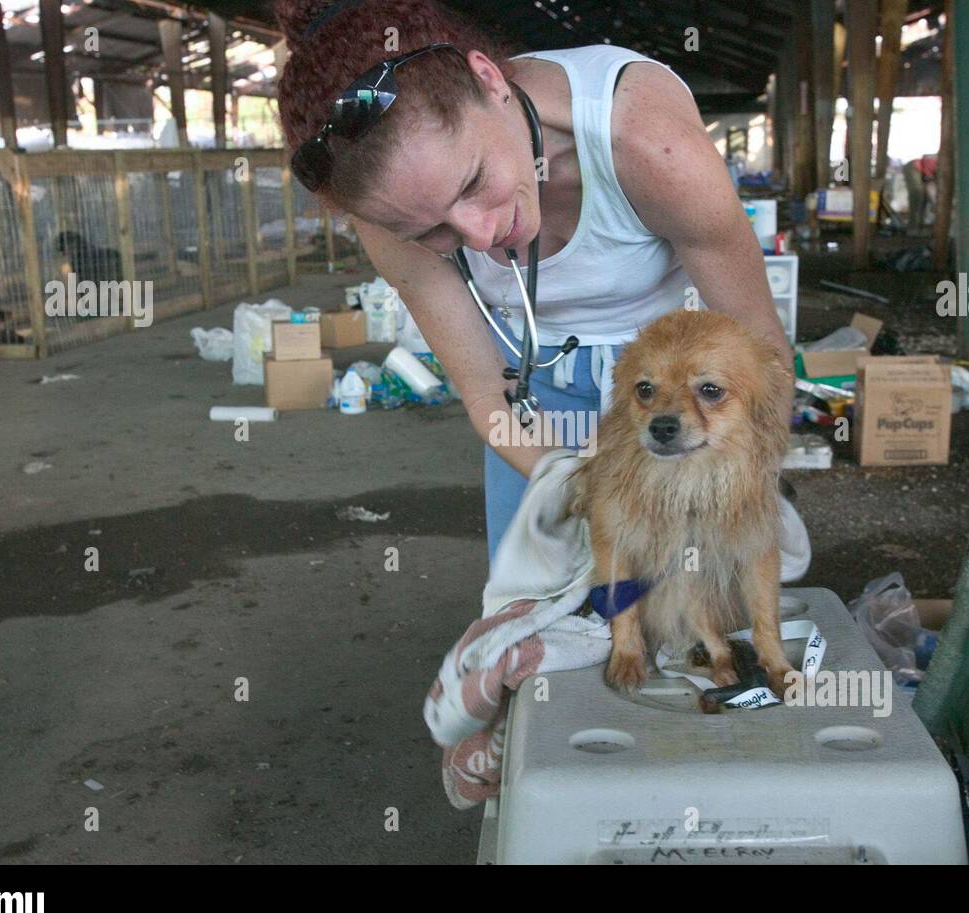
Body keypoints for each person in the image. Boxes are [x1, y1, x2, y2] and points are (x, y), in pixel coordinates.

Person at [276, 0, 791, 561]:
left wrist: (738, 479)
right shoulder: (388, 210)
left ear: (490, 79)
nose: (479, 235)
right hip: (530, 385)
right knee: (540, 595)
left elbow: (761, 350)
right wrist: (574, 488)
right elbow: (484, 389)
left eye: (473, 182)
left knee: (692, 598)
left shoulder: (645, 143)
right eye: (432, 230)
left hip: (681, 383)